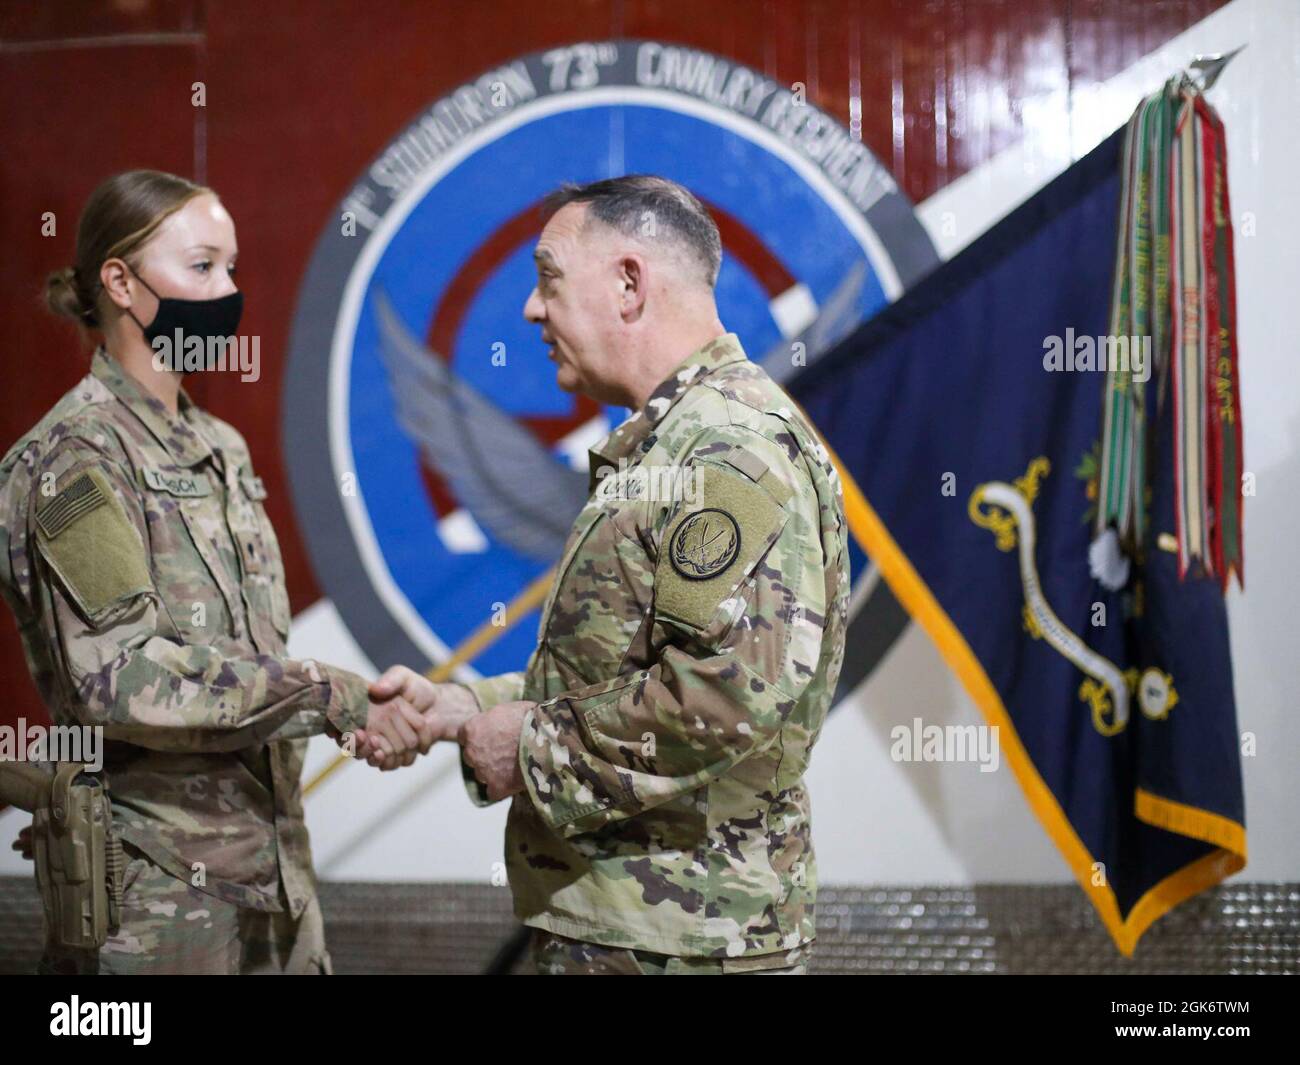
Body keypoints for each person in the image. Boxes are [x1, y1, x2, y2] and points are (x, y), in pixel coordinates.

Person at [366, 175, 850, 975]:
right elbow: (618, 668)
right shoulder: (669, 444)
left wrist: (526, 746)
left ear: (629, 284)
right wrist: (464, 707)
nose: (531, 308)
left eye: (548, 277)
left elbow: (727, 691)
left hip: (680, 944)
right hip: (643, 934)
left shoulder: (724, 447)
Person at [0, 170, 432, 974]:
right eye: (202, 267)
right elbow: (118, 677)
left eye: (231, 269)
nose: (227, 292)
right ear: (121, 283)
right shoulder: (78, 458)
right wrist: (328, 694)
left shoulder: (219, 446)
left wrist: (353, 705)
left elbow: (244, 650)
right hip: (150, 907)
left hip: (274, 880)